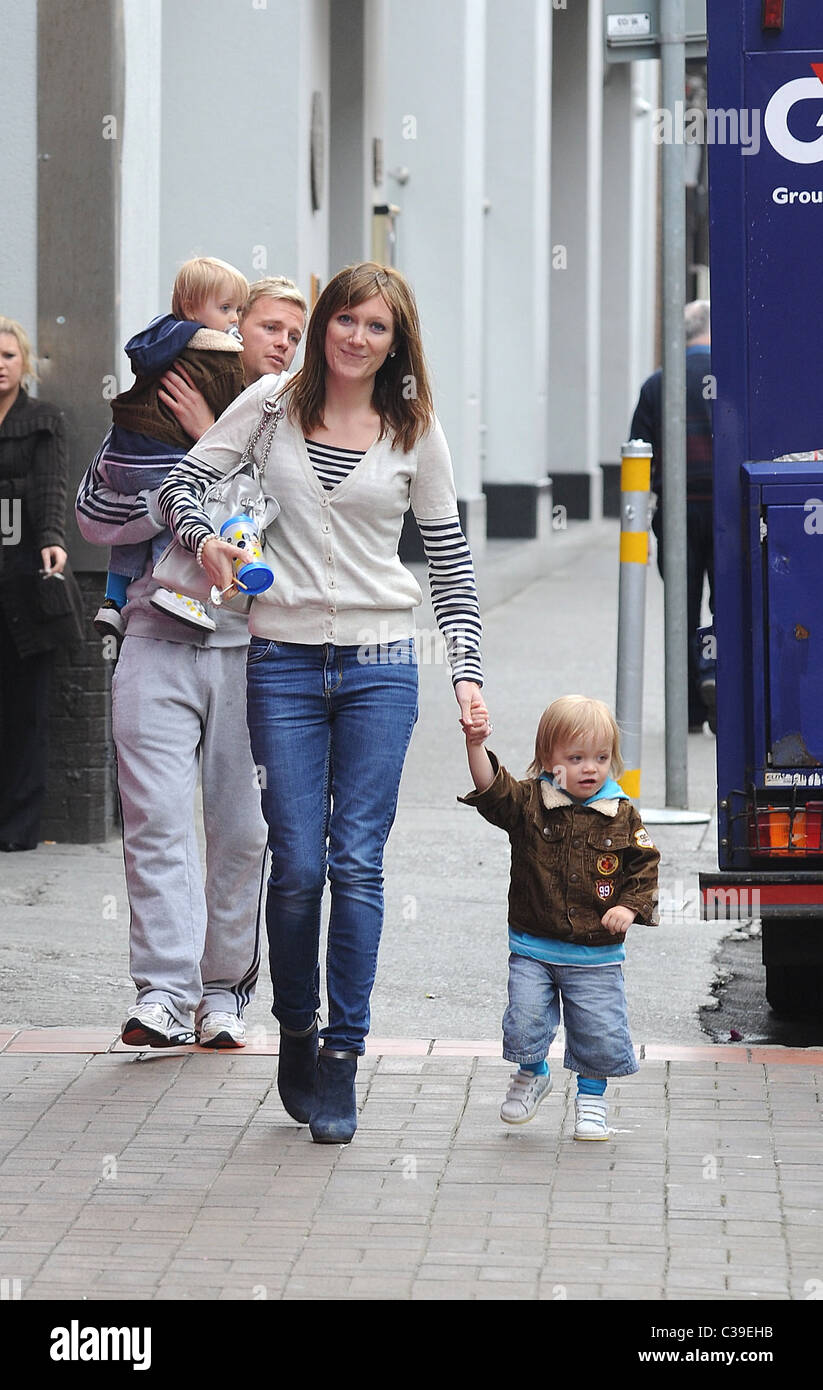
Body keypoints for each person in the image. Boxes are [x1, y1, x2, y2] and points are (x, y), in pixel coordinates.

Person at [159, 261, 489, 1143]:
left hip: (384, 663)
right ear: (324, 325)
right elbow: (179, 484)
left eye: (376, 327)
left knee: (358, 864)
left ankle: (342, 1053)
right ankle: (296, 1029)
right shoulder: (271, 404)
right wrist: (206, 544)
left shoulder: (415, 428)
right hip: (285, 663)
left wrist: (467, 671)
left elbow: (449, 564)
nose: (356, 338)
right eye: (345, 319)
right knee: (298, 863)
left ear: (396, 340)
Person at [75, 276, 307, 1051]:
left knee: (242, 832)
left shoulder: (294, 425)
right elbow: (91, 515)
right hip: (155, 638)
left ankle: (223, 993)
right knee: (155, 822)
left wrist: (210, 440)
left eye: (292, 335)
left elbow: (285, 522)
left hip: (254, 652)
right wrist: (172, 472)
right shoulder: (151, 410)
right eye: (266, 326)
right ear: (228, 334)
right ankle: (163, 995)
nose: (279, 343)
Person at [458, 695, 658, 1141]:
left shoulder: (621, 813)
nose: (590, 768)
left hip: (596, 954)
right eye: (576, 758)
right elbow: (493, 791)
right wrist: (476, 745)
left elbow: (644, 864)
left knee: (598, 1031)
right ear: (548, 760)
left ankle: (591, 1102)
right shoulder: (530, 802)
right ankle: (534, 1072)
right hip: (534, 945)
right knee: (525, 1019)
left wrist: (629, 906)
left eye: (601, 758)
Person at [94, 256, 249, 641]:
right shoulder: (217, 356)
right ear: (194, 309)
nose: (234, 320)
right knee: (177, 509)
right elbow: (239, 425)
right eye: (226, 308)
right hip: (161, 457)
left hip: (122, 453)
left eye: (239, 310)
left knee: (133, 533)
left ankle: (112, 600)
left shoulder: (158, 338)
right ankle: (176, 590)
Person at [0, 317, 83, 852]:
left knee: (24, 710)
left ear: (24, 363)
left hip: (25, 581)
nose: (0, 364)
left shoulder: (42, 419)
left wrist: (51, 536)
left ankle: (17, 828)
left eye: (8, 355)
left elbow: (52, 489)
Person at [629, 300, 714, 731]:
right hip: (726, 515)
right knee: (729, 609)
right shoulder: (733, 377)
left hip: (677, 515)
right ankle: (720, 690)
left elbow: (637, 462)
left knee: (681, 611)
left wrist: (637, 531)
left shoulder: (656, 385)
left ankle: (689, 711)